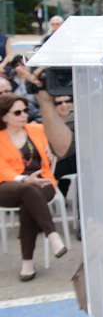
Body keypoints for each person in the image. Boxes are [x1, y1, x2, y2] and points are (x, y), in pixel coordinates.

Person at [0, 91, 73, 281]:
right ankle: (52, 234)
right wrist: (23, 179)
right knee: (28, 190)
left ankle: (27, 264)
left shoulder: (38, 130)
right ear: (4, 116)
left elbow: (61, 144)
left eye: (25, 110)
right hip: (9, 184)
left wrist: (52, 146)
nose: (24, 115)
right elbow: (2, 168)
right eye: (17, 112)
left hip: (42, 180)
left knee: (29, 200)